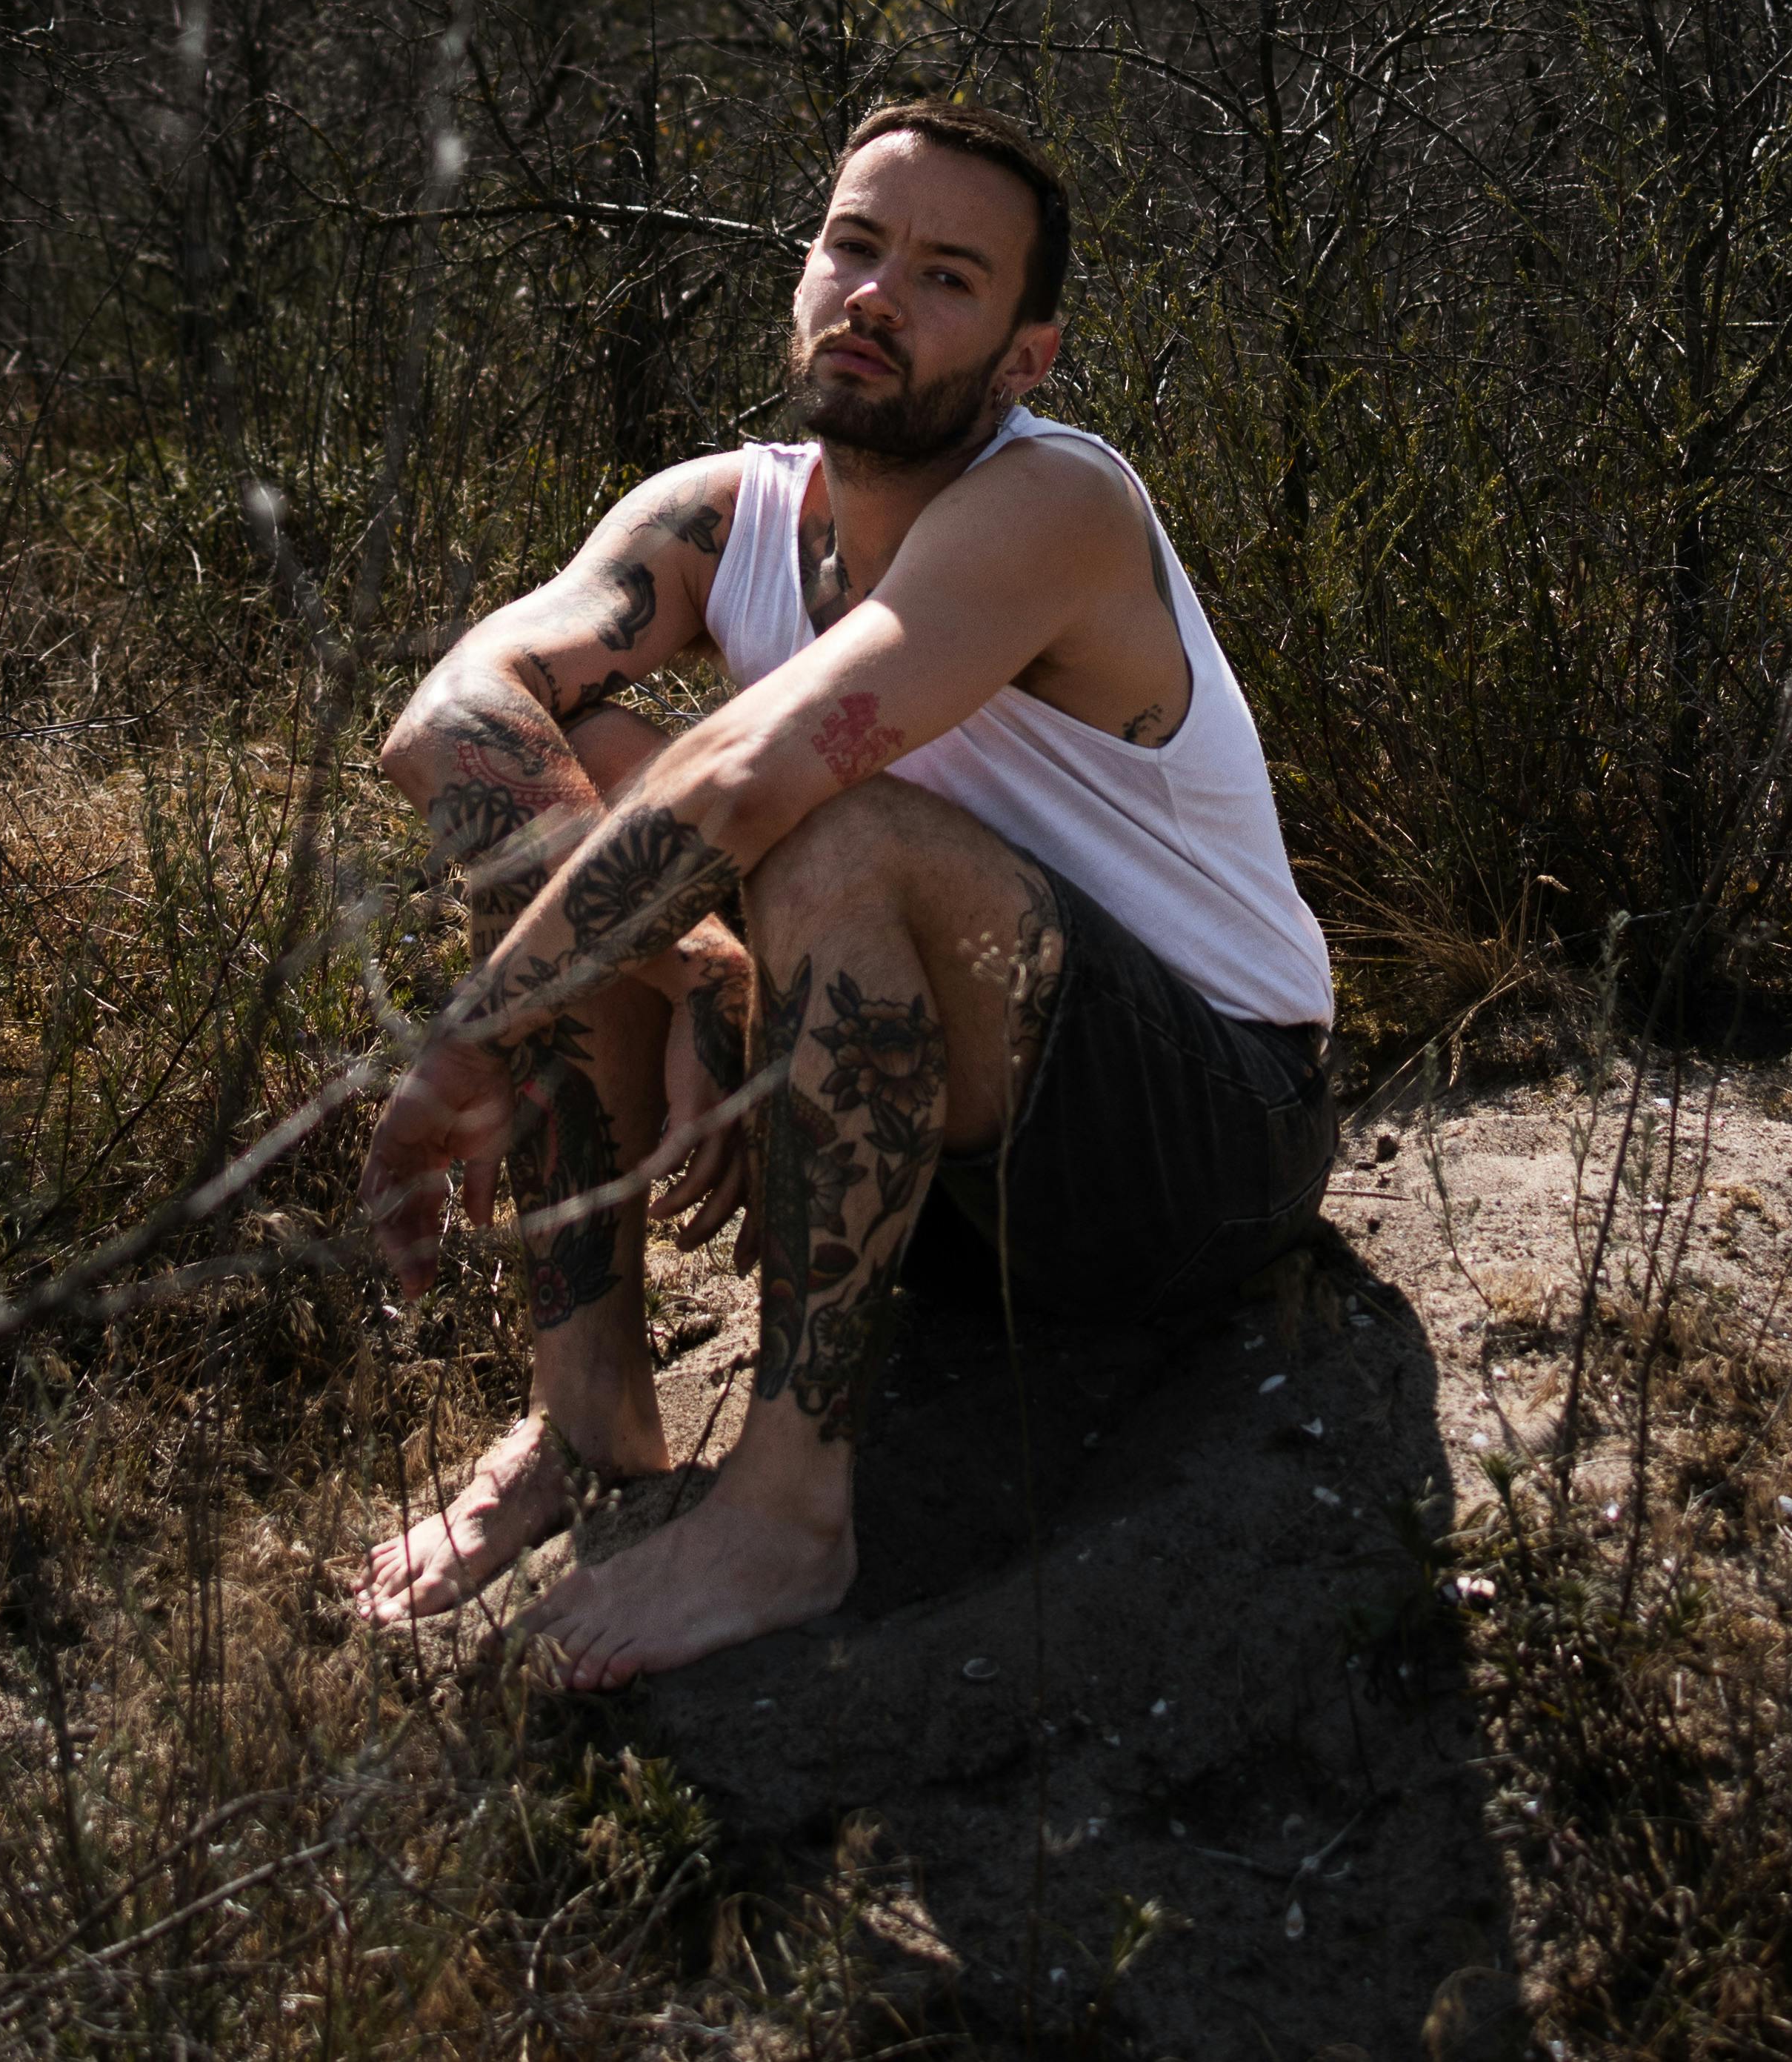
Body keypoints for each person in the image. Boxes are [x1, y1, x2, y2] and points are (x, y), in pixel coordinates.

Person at [353, 100, 1336, 1686]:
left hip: (1199, 1143)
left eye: (949, 277)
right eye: (855, 246)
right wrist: (698, 977)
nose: (877, 295)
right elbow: (451, 713)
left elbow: (754, 776)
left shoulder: (1057, 503)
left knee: (810, 827)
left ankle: (788, 1518)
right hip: (938, 1148)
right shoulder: (723, 511)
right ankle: (588, 1431)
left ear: (1026, 357)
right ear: (804, 273)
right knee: (565, 786)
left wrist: (469, 1044)